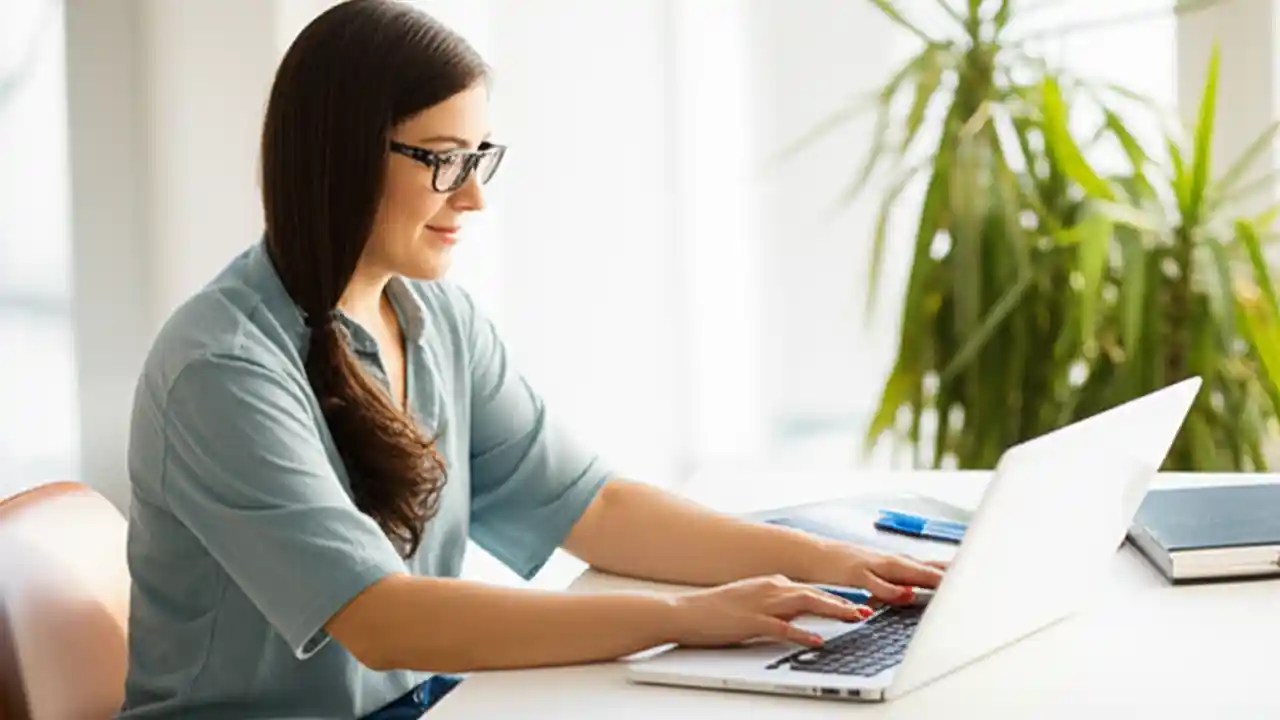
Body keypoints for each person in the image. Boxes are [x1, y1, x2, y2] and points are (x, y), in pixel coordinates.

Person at [117, 1, 945, 717]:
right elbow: (380, 621)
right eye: (445, 158)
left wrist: (835, 566)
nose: (474, 196)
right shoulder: (224, 368)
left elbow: (595, 509)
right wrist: (685, 620)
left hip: (431, 703)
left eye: (479, 159)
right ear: (340, 154)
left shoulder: (435, 316)